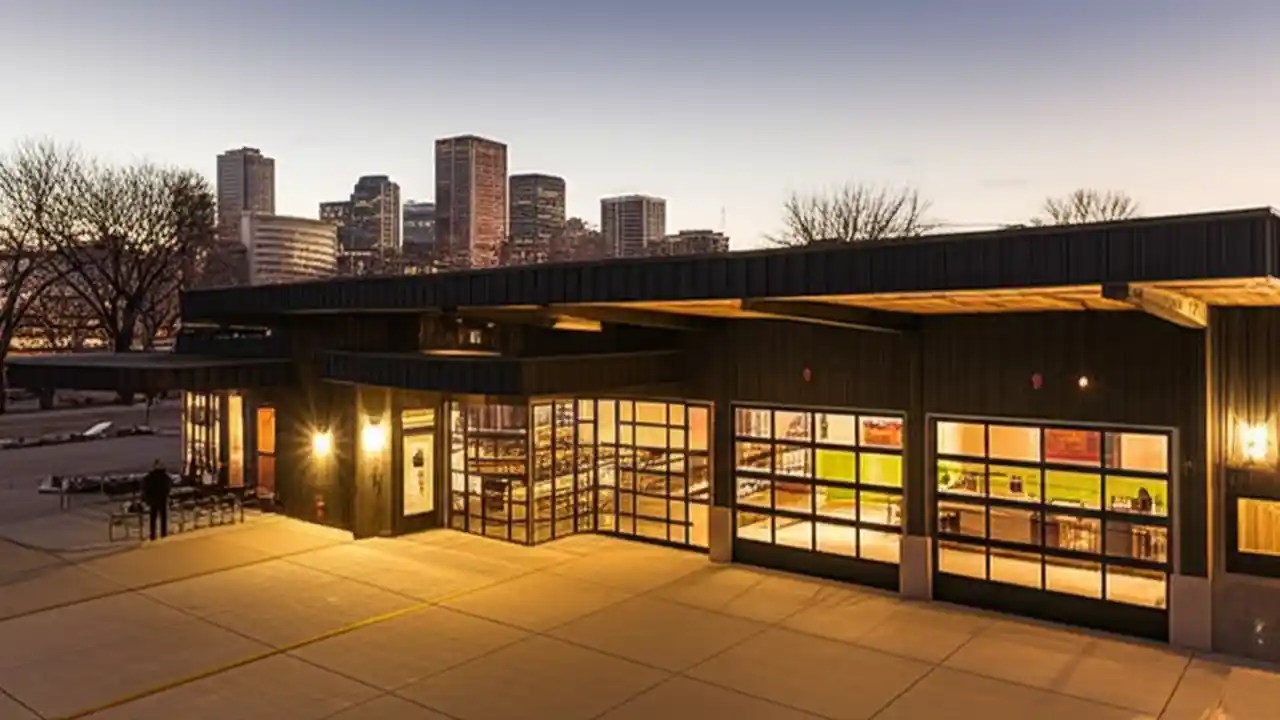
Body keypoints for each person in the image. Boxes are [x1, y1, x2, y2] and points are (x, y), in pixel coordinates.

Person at [141, 459, 172, 541]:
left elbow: (145, 486)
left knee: (153, 518)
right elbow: (168, 486)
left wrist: (147, 497)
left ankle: (153, 535)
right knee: (163, 517)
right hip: (162, 499)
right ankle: (163, 533)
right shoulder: (165, 476)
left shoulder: (150, 477)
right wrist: (166, 493)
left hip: (153, 499)